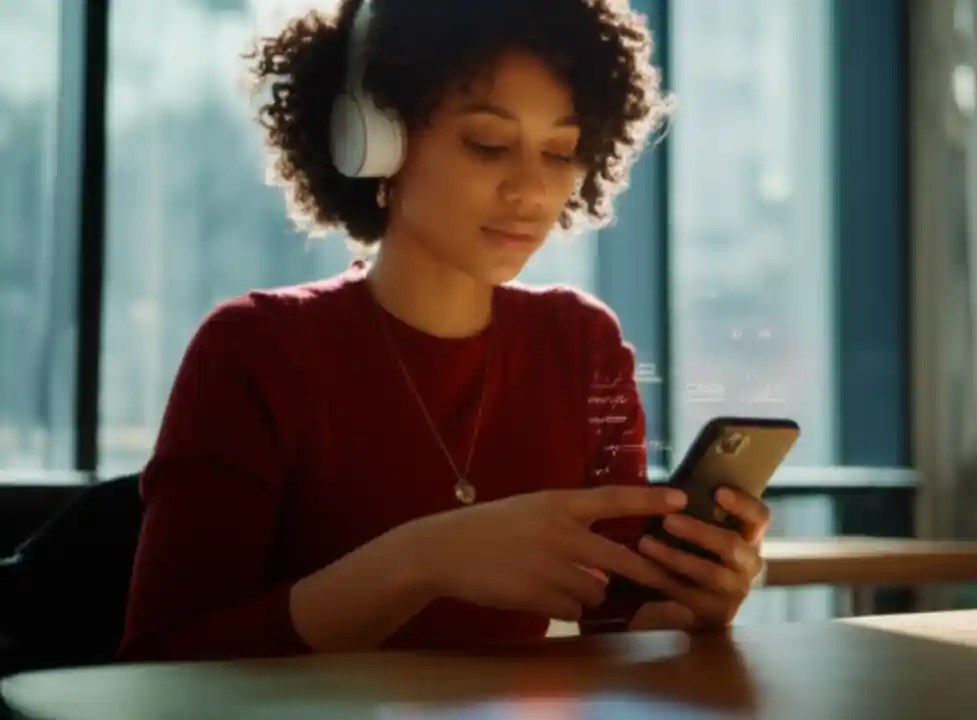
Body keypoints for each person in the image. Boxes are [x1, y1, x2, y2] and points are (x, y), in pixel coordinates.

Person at [118, 0, 771, 661]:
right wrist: (420, 559)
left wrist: (690, 608)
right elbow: (162, 661)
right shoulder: (256, 348)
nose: (532, 189)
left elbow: (618, 620)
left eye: (560, 151)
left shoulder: (580, 344)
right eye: (488, 144)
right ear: (375, 138)